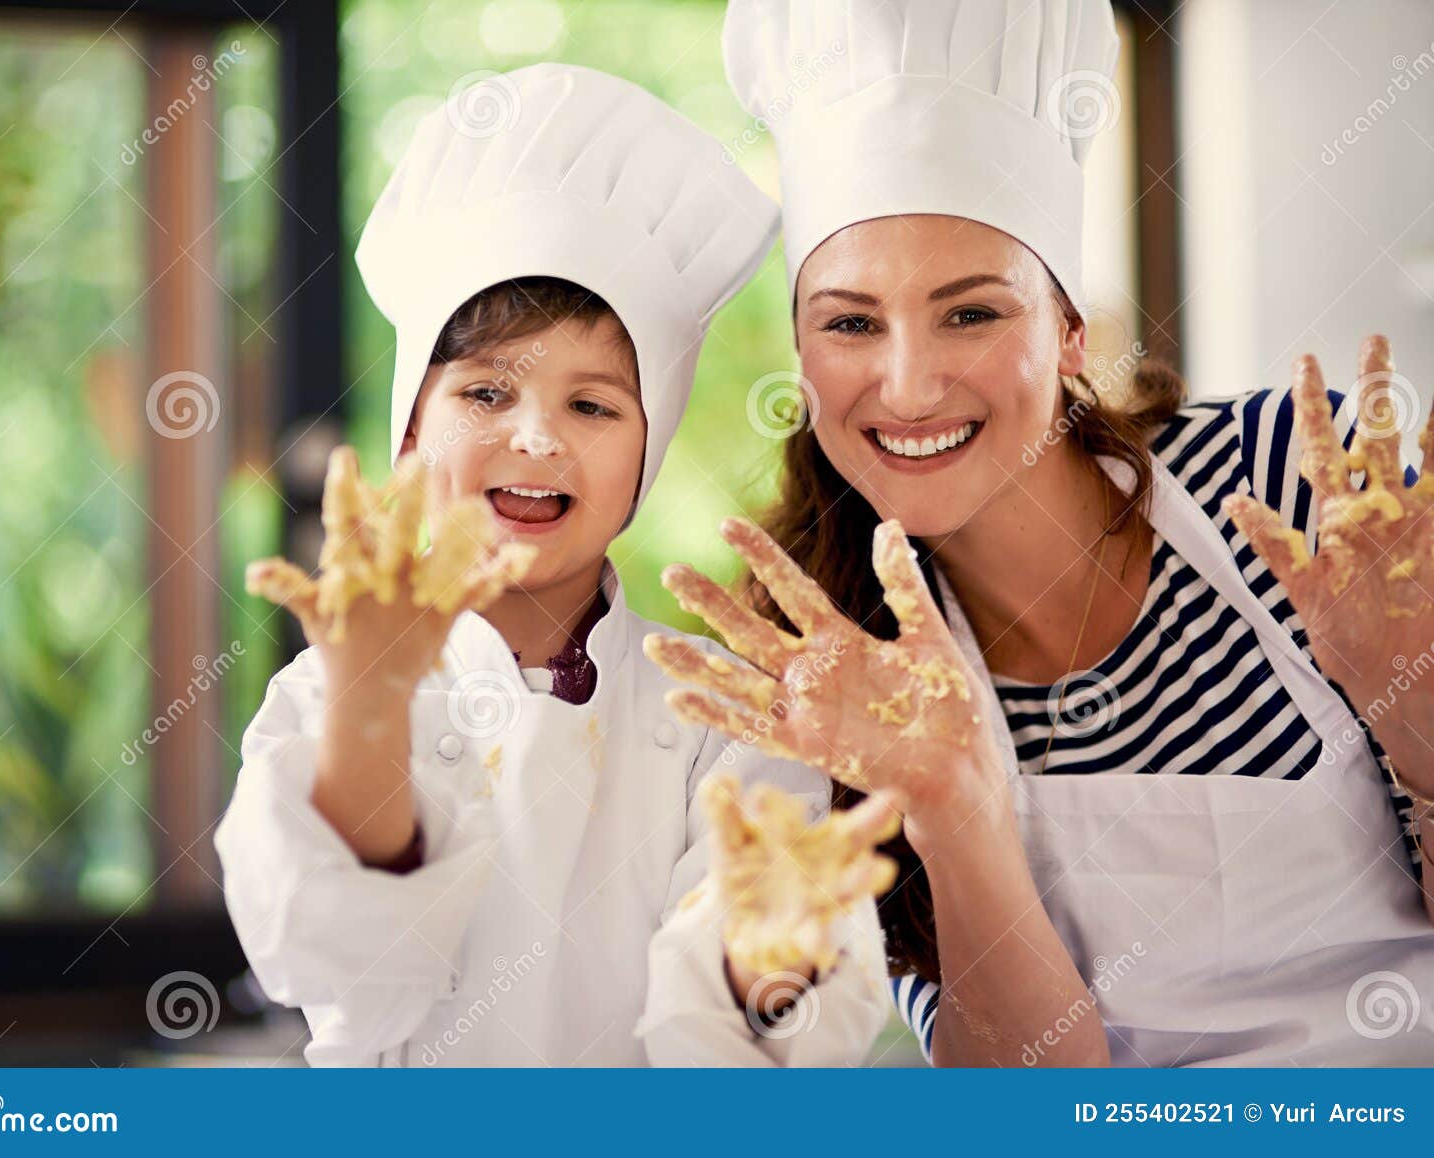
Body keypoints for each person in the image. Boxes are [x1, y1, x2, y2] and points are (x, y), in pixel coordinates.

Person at [652, 0, 1434, 1066]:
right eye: (848, 323)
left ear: (1070, 333)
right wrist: (950, 810)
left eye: (971, 313)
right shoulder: (835, 680)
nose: (909, 383)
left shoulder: (1303, 487)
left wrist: (1417, 706)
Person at [212, 63, 898, 1067]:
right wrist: (368, 701)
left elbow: (748, 1040)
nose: (536, 440)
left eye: (591, 406)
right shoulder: (331, 687)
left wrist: (769, 956)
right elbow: (335, 973)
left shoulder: (721, 715)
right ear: (411, 435)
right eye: (485, 394)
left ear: (645, 457)